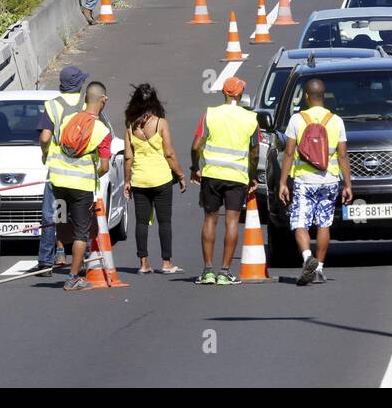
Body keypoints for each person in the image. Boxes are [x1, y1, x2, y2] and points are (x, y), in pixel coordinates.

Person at [277, 78, 352, 286]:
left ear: (307, 97)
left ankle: (307, 257)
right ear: (324, 96)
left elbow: (289, 152)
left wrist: (283, 182)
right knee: (324, 223)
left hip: (304, 179)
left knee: (300, 221)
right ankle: (319, 268)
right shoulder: (336, 120)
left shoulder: (297, 120)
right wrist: (348, 184)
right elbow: (343, 155)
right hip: (329, 180)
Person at [190, 76, 259, 286]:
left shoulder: (210, 114)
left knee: (210, 220)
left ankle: (208, 270)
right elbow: (254, 152)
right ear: (239, 94)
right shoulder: (251, 119)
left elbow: (195, 146)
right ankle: (225, 271)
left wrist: (195, 167)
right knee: (231, 222)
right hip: (237, 176)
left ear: (224, 93)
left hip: (212, 174)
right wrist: (251, 175)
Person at [47, 81, 113, 291]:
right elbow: (103, 166)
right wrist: (93, 174)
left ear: (85, 98)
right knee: (81, 233)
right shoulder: (102, 130)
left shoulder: (68, 119)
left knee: (62, 221)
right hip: (81, 186)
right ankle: (73, 277)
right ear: (103, 101)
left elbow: (52, 141)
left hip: (57, 182)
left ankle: (59, 252)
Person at [123, 83, 186, 275]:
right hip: (161, 179)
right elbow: (169, 154)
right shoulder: (161, 123)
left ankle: (143, 263)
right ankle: (166, 263)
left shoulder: (130, 126)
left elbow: (128, 157)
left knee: (141, 222)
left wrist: (127, 181)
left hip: (140, 180)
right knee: (164, 222)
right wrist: (181, 175)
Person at [36, 65, 89, 270]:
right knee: (81, 217)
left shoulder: (52, 106)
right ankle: (83, 260)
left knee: (54, 214)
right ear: (79, 84)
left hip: (57, 173)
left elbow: (45, 137)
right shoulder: (87, 105)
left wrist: (45, 153)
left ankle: (47, 260)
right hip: (82, 173)